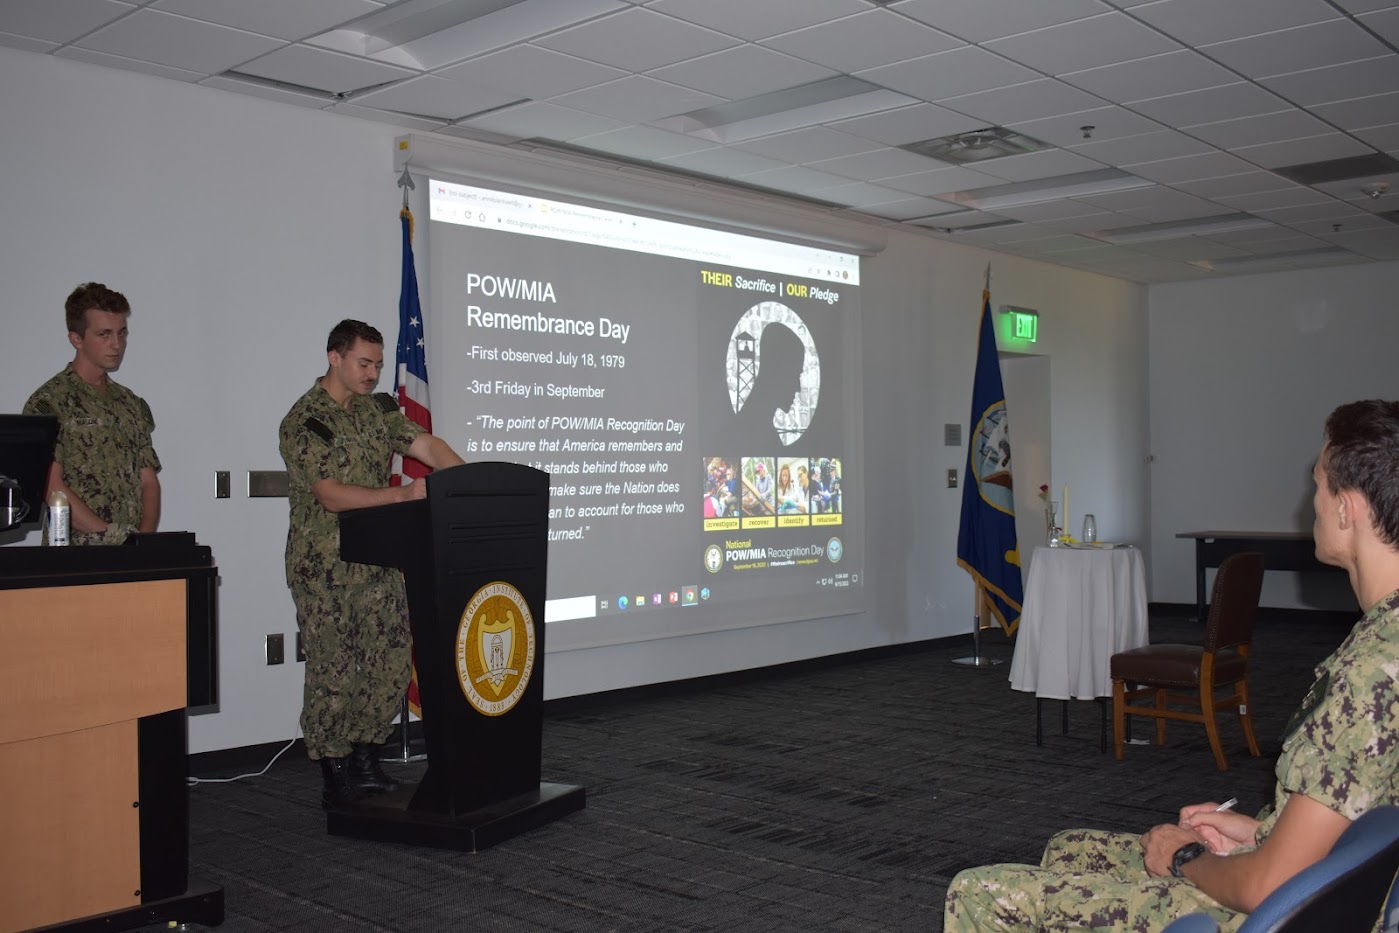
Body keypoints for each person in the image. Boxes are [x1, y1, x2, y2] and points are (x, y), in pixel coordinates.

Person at [944, 398, 1399, 932]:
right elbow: (1356, 813)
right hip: (1333, 886)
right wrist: (1254, 832)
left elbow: (1269, 886)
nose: (1311, 501)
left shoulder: (1371, 674)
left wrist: (1186, 858)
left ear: (1346, 509)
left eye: (1318, 484)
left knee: (978, 893)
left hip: (1282, 912)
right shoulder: (1383, 641)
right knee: (1069, 850)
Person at [279, 319, 464, 808]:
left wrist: (469, 481)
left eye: (379, 365)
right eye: (364, 363)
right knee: (334, 668)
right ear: (334, 357)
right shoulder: (305, 420)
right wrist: (401, 493)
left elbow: (426, 444)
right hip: (325, 565)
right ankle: (334, 772)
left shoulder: (375, 412)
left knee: (389, 661)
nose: (373, 374)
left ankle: (365, 760)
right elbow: (330, 496)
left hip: (379, 559)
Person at [23, 282, 160, 545]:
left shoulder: (130, 403)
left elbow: (149, 482)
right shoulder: (50, 403)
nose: (116, 344)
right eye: (104, 334)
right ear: (77, 339)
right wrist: (113, 538)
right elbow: (51, 486)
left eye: (121, 333)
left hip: (131, 556)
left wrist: (143, 543)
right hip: (74, 556)